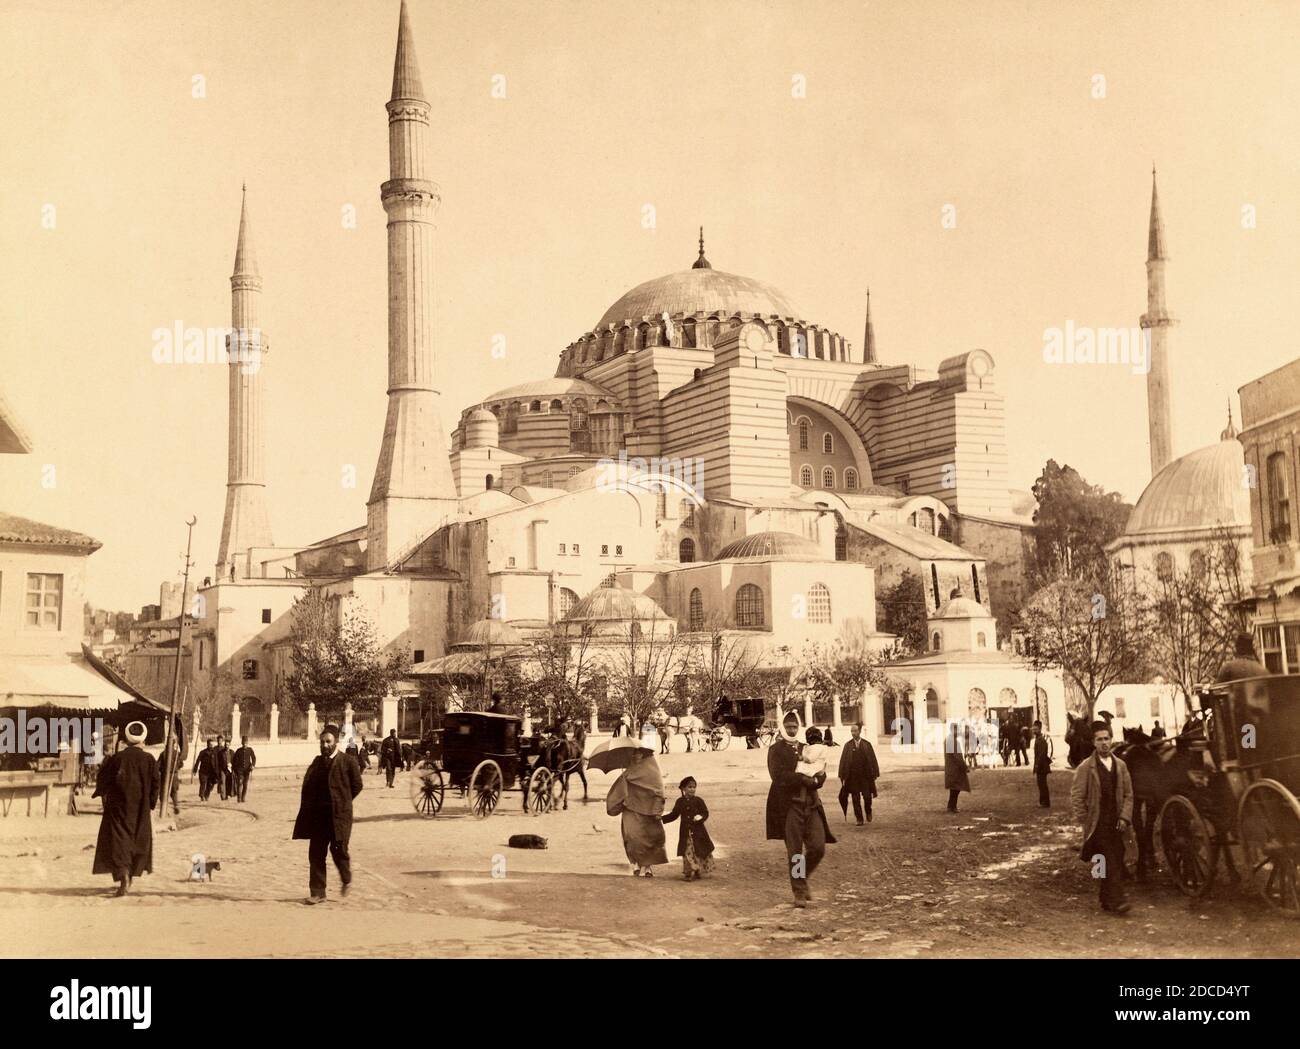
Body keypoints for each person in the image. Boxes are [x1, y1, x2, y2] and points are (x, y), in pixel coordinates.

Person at [766, 710, 836, 907]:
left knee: (818, 847)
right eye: (788, 727)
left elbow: (821, 768)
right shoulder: (776, 750)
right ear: (782, 728)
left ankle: (801, 878)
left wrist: (818, 779)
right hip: (789, 807)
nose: (792, 730)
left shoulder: (807, 747)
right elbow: (778, 776)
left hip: (811, 804)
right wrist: (802, 778)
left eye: (795, 727)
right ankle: (799, 892)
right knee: (795, 853)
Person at [293, 725, 363, 905]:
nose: (324, 745)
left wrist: (343, 801)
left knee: (339, 851)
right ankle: (318, 892)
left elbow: (357, 786)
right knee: (316, 853)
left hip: (339, 817)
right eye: (322, 742)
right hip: (319, 818)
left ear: (336, 742)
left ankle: (346, 879)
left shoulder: (348, 761)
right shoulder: (316, 763)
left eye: (328, 741)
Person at [1071, 720, 1133, 914]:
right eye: (1099, 740)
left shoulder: (1120, 765)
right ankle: (1118, 900)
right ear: (1093, 743)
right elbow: (1077, 796)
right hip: (1098, 822)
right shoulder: (1085, 767)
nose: (1104, 743)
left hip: (1117, 821)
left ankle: (1105, 898)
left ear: (1112, 740)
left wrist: (1124, 817)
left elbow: (1129, 794)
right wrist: (1085, 819)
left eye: (1107, 739)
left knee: (1115, 856)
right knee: (1109, 859)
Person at [92, 721, 160, 897]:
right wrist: (151, 803)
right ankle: (130, 872)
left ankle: (123, 873)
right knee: (138, 840)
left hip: (118, 808)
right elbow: (155, 785)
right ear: (143, 739)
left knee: (118, 839)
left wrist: (104, 796)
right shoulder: (149, 760)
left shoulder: (117, 759)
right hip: (140, 808)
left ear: (127, 738)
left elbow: (103, 779)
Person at [605, 742, 668, 876]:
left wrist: (657, 810)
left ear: (645, 754)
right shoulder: (629, 771)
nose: (637, 755)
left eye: (640, 753)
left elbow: (659, 791)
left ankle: (647, 867)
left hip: (649, 810)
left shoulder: (653, 772)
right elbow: (618, 792)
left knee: (648, 839)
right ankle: (635, 863)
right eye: (635, 753)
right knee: (632, 837)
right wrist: (623, 781)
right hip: (630, 809)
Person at [662, 776, 714, 880]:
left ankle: (698, 870)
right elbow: (674, 815)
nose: (692, 789)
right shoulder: (680, 802)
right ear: (683, 789)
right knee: (687, 851)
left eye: (694, 787)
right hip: (685, 832)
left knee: (698, 850)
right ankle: (688, 873)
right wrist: (661, 819)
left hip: (699, 831)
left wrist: (701, 817)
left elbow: (705, 812)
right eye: (689, 787)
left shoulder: (699, 801)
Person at [837, 723, 880, 825]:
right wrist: (842, 774)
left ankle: (868, 811)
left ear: (860, 731)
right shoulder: (848, 745)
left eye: (855, 731)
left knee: (867, 797)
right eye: (852, 731)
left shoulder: (867, 745)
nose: (853, 733)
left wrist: (875, 772)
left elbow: (873, 759)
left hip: (865, 776)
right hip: (852, 777)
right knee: (855, 798)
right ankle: (859, 819)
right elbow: (843, 760)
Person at [945, 721, 971, 812]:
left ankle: (951, 806)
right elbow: (957, 757)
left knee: (955, 788)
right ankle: (952, 806)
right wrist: (965, 767)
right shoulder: (952, 741)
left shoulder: (949, 739)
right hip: (954, 769)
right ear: (953, 730)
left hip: (951, 768)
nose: (958, 732)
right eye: (957, 730)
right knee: (956, 788)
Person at [155, 738, 182, 816]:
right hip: (174, 775)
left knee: (164, 792)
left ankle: (164, 808)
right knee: (174, 792)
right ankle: (176, 805)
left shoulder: (163, 753)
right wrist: (176, 767)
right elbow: (181, 764)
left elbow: (158, 765)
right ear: (173, 744)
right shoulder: (176, 753)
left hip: (165, 775)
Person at [1031, 720, 1052, 808]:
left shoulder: (1041, 740)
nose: (1034, 731)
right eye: (1033, 729)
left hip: (1042, 766)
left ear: (1039, 729)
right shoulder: (1039, 739)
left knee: (1042, 784)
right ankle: (1043, 801)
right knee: (1041, 784)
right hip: (1041, 765)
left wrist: (1037, 765)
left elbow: (1041, 755)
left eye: (1035, 729)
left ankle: (1045, 802)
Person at [232, 736, 256, 803]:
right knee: (239, 784)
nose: (245, 744)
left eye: (246, 743)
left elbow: (254, 758)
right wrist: (236, 769)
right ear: (241, 743)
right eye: (243, 743)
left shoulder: (250, 750)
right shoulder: (238, 750)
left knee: (245, 784)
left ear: (247, 743)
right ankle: (239, 798)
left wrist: (253, 765)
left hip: (247, 771)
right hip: (240, 771)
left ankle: (243, 797)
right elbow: (234, 761)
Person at [215, 735, 232, 800]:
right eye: (225, 745)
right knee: (222, 782)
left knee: (228, 782)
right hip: (222, 770)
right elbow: (218, 761)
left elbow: (234, 760)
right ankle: (223, 796)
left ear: (229, 745)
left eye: (228, 745)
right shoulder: (221, 753)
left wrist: (231, 765)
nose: (226, 746)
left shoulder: (231, 752)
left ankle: (227, 795)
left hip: (229, 770)